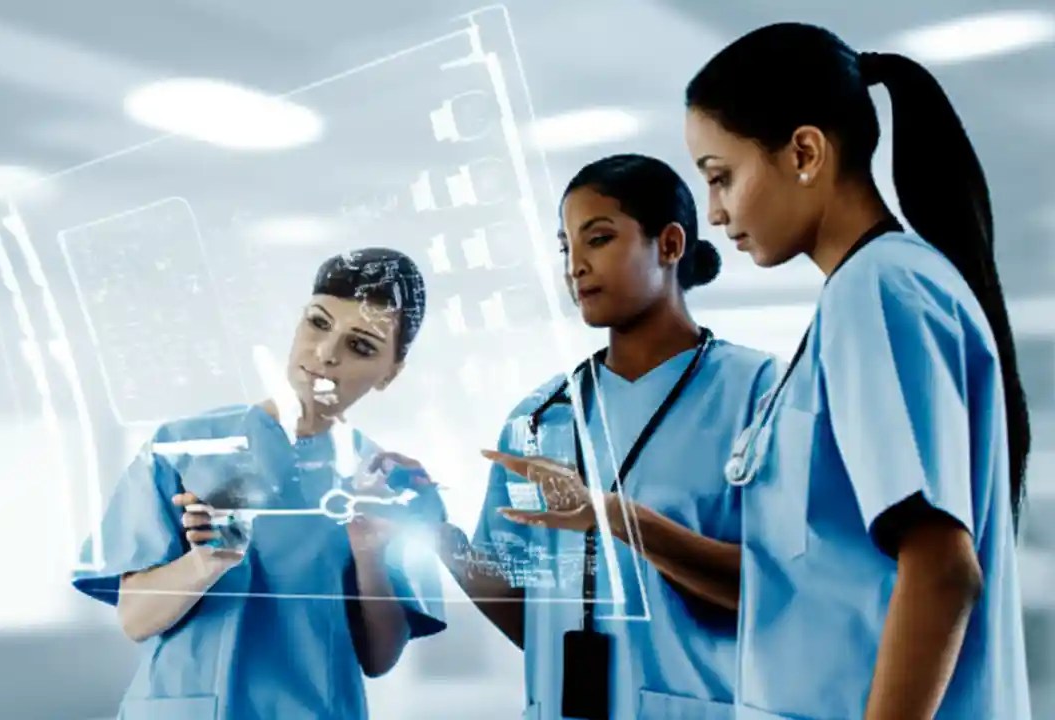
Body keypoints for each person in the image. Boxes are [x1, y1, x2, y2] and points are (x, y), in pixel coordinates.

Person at [681, 22, 1032, 719]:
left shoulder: (879, 290)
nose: (714, 213)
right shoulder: (873, 290)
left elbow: (941, 570)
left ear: (804, 153)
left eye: (721, 178)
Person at [442, 154, 776, 719]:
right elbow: (531, 617)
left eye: (598, 239)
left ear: (669, 244)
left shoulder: (759, 394)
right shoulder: (539, 419)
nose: (576, 266)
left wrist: (615, 517)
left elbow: (785, 592)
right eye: (566, 248)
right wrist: (438, 541)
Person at [72, 247, 447, 720]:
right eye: (318, 323)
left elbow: (379, 658)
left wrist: (369, 554)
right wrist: (206, 562)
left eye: (361, 346)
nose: (325, 353)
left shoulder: (387, 485)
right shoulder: (182, 448)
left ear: (390, 372)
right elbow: (135, 620)